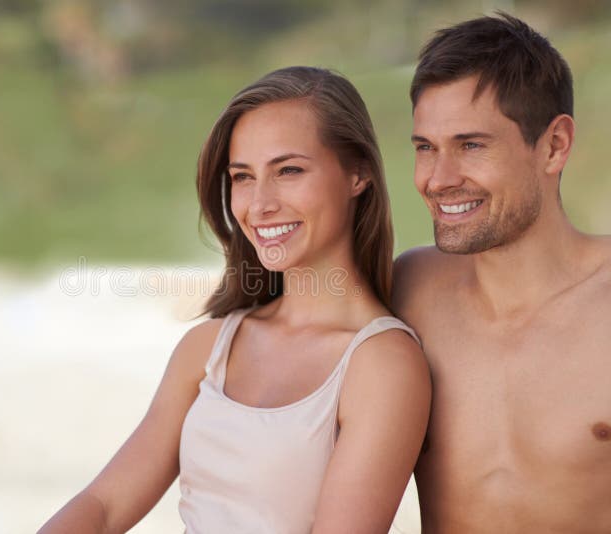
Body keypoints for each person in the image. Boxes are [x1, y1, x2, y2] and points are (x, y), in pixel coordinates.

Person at [39, 66, 430, 534]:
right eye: (242, 177)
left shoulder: (382, 364)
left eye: (288, 171)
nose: (259, 204)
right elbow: (103, 506)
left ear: (358, 174)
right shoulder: (208, 347)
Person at [393, 12, 611, 533]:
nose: (438, 180)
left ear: (554, 146)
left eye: (471, 145)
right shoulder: (408, 290)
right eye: (426, 147)